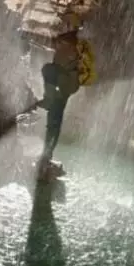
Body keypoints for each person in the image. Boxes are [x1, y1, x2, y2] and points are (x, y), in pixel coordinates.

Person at [38, 31, 82, 166]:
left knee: (48, 69)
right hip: (65, 86)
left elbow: (57, 65)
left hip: (64, 86)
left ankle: (47, 153)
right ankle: (47, 153)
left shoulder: (69, 48)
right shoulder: (68, 47)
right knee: (54, 121)